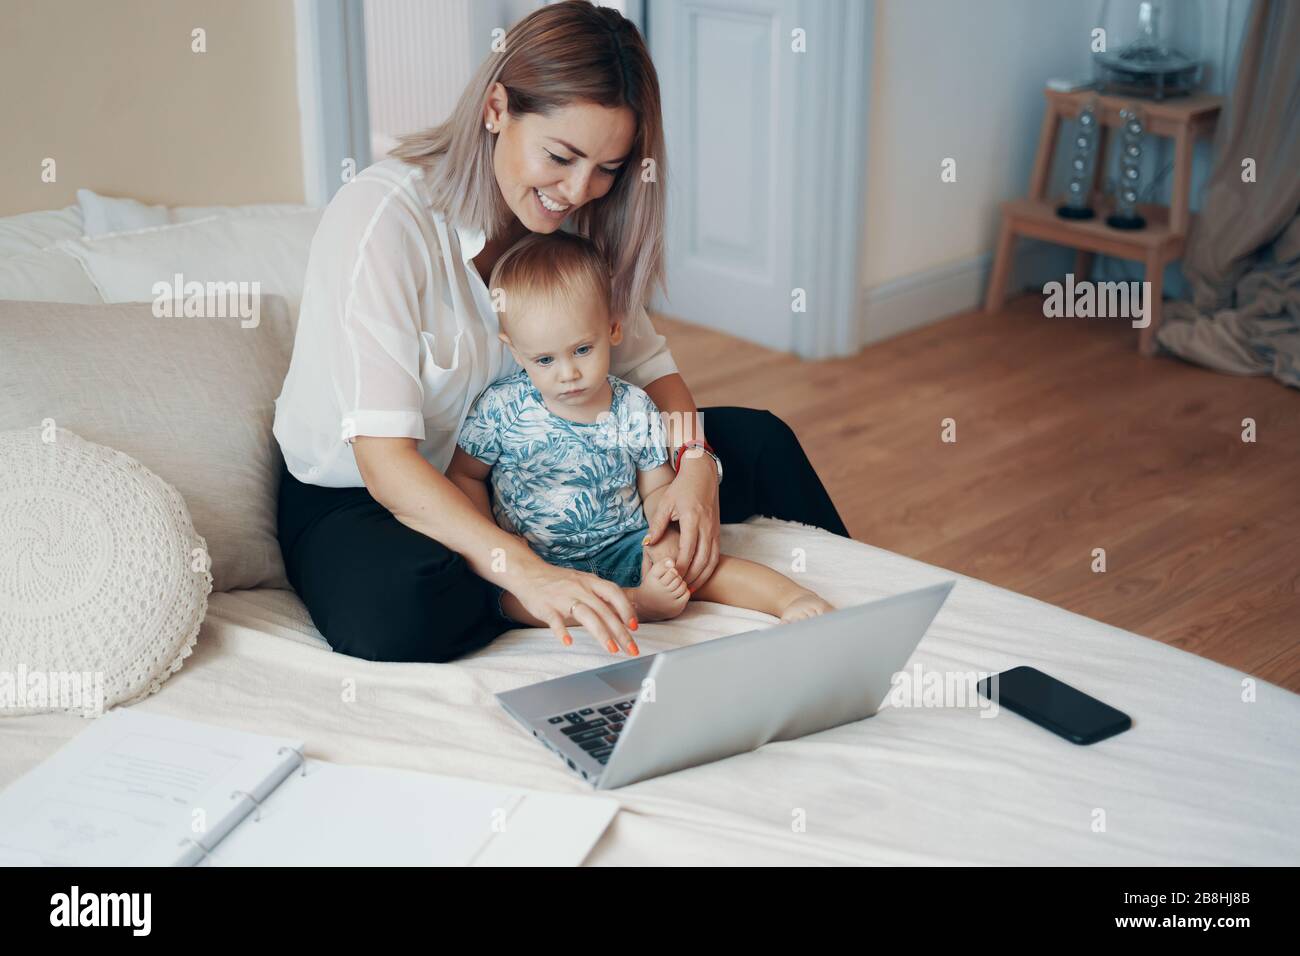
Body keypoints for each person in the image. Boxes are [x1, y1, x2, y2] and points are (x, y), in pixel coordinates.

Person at [273, 0, 849, 664]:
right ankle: (582, 593)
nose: (580, 190)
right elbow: (386, 462)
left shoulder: (569, 229)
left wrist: (693, 469)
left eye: (608, 168)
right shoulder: (383, 219)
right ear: (496, 109)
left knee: (761, 443)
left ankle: (870, 627)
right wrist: (523, 568)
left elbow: (655, 374)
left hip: (546, 470)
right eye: (563, 156)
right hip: (370, 494)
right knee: (399, 605)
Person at [447, 231, 837, 653]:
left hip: (626, 547)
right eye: (545, 359)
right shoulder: (500, 409)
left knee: (703, 571)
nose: (568, 373)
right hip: (537, 562)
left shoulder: (635, 408)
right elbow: (465, 475)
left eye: (582, 349)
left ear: (613, 329)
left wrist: (664, 547)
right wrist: (499, 546)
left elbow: (657, 490)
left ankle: (791, 598)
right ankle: (639, 604)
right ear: (516, 352)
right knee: (508, 602)